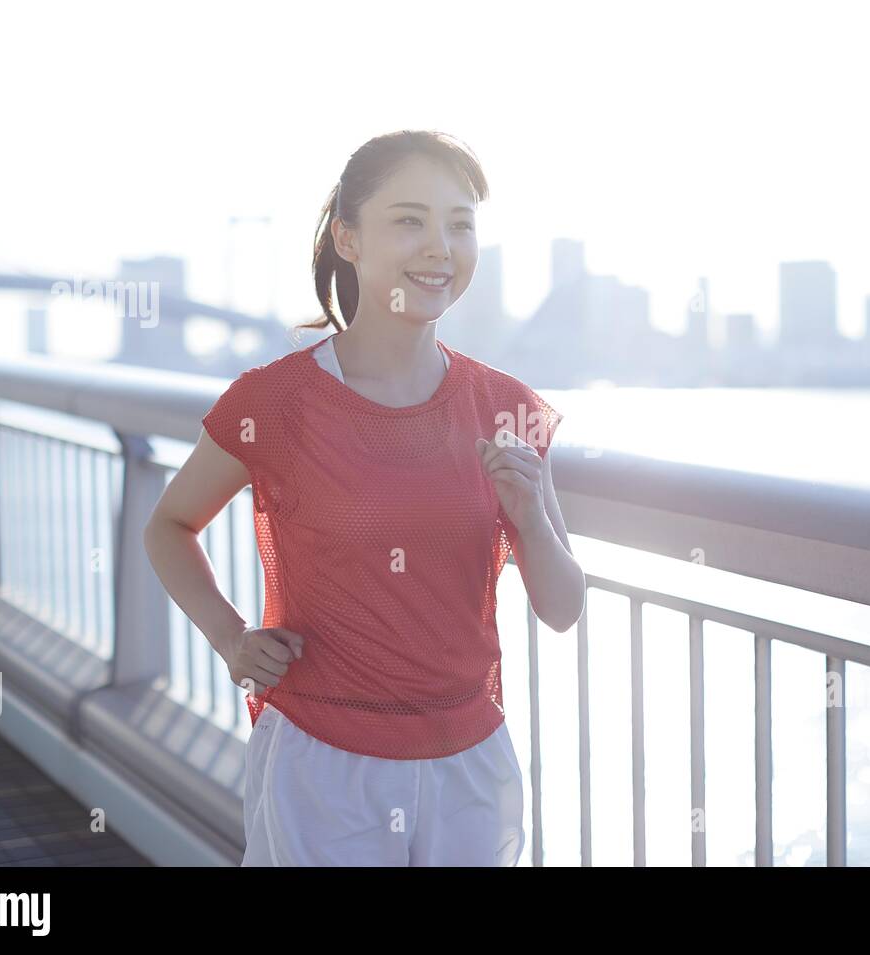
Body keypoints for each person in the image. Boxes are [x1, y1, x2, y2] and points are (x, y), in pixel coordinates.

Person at [143, 130, 586, 866]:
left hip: (472, 766)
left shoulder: (509, 406)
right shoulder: (274, 401)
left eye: (460, 223)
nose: (440, 246)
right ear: (348, 239)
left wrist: (532, 517)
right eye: (409, 220)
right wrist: (230, 640)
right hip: (321, 767)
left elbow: (564, 609)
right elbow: (170, 525)